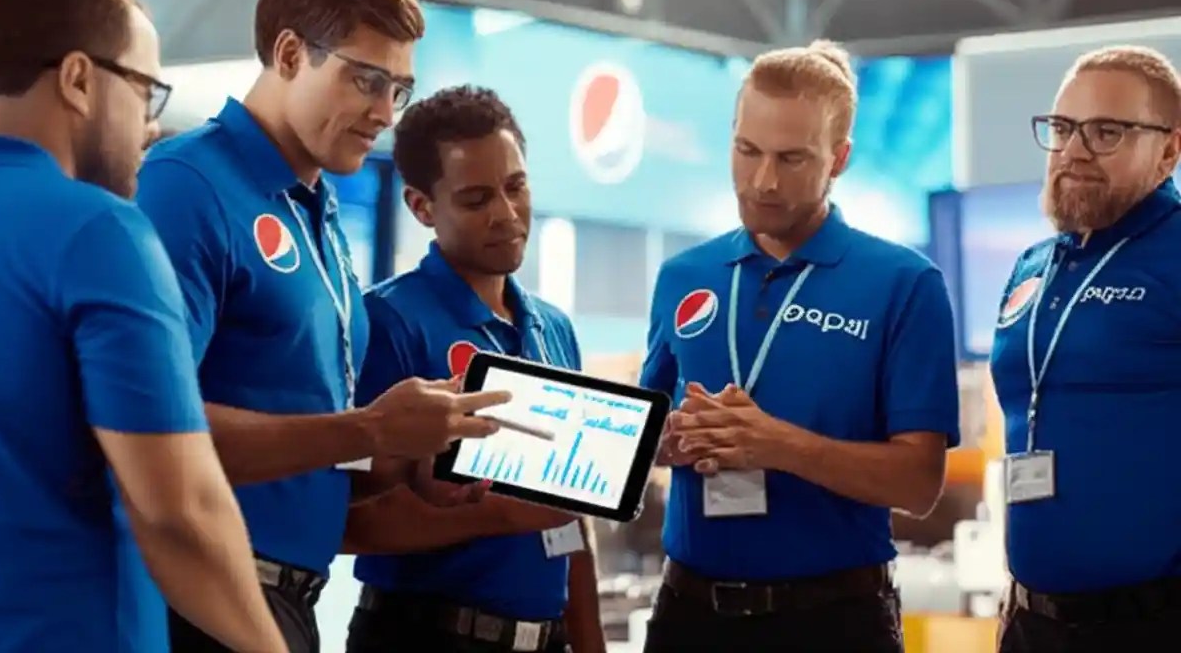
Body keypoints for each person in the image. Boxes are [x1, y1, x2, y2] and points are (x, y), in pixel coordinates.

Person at [0, 0, 285, 653]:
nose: (147, 126)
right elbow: (180, 510)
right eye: (146, 91)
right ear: (79, 79)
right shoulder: (97, 232)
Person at [134, 0, 506, 653]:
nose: (385, 113)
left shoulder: (320, 213)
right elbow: (152, 431)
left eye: (400, 90)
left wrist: (399, 465)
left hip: (291, 597)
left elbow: (298, 454)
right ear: (288, 53)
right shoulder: (187, 187)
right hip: (199, 595)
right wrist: (368, 429)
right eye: (367, 81)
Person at [638, 40, 961, 652]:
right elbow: (641, 430)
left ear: (838, 159)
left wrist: (778, 445)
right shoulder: (683, 276)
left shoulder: (904, 284)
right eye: (747, 151)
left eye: (791, 159)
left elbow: (920, 483)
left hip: (833, 620)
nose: (762, 180)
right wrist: (669, 441)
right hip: (688, 614)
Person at [340, 85, 605, 653]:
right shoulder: (387, 322)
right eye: (477, 198)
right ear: (421, 206)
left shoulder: (553, 330)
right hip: (423, 636)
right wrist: (498, 515)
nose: (506, 215)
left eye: (516, 187)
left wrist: (590, 643)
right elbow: (347, 520)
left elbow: (569, 517)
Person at [991, 45, 1181, 652]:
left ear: (1169, 150)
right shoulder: (1032, 268)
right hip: (1029, 621)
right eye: (1063, 128)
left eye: (1107, 132)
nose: (1074, 150)